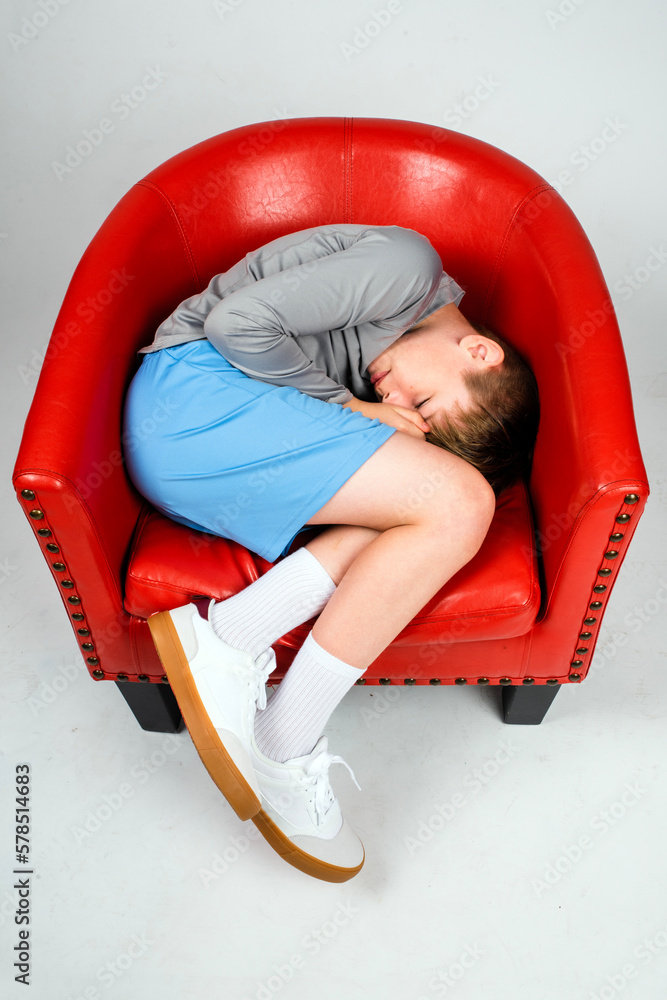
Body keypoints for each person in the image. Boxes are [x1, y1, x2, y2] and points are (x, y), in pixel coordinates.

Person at [123, 223, 539, 883]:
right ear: (478, 351)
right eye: (422, 401)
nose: (393, 403)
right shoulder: (409, 268)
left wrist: (364, 414)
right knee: (459, 502)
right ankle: (282, 738)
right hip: (191, 399)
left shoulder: (384, 371)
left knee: (417, 512)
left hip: (207, 457)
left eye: (407, 408)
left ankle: (234, 639)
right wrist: (349, 406)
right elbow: (237, 323)